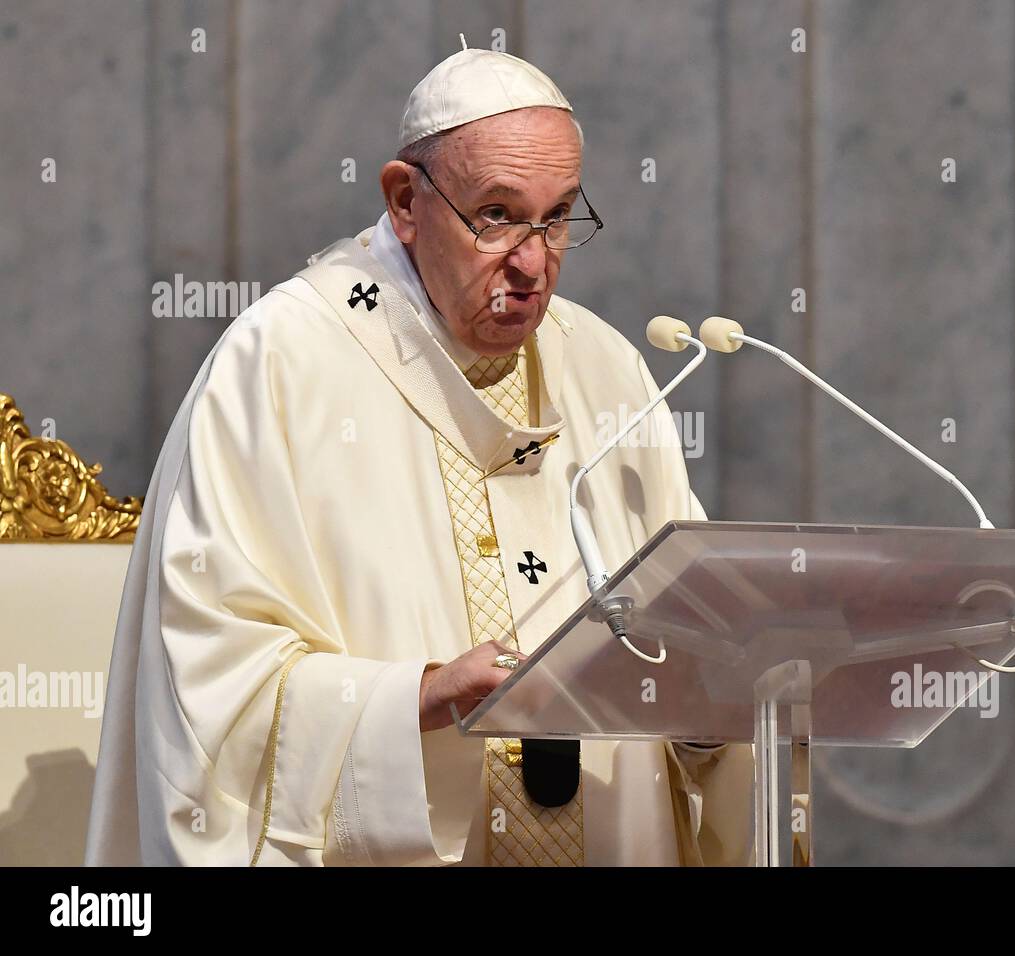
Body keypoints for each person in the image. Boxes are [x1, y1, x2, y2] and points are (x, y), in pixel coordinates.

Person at [85, 38, 753, 867]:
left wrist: (706, 714)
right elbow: (206, 690)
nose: (535, 263)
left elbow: (694, 632)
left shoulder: (606, 366)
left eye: (558, 217)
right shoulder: (282, 364)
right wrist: (416, 697)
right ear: (405, 200)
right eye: (498, 215)